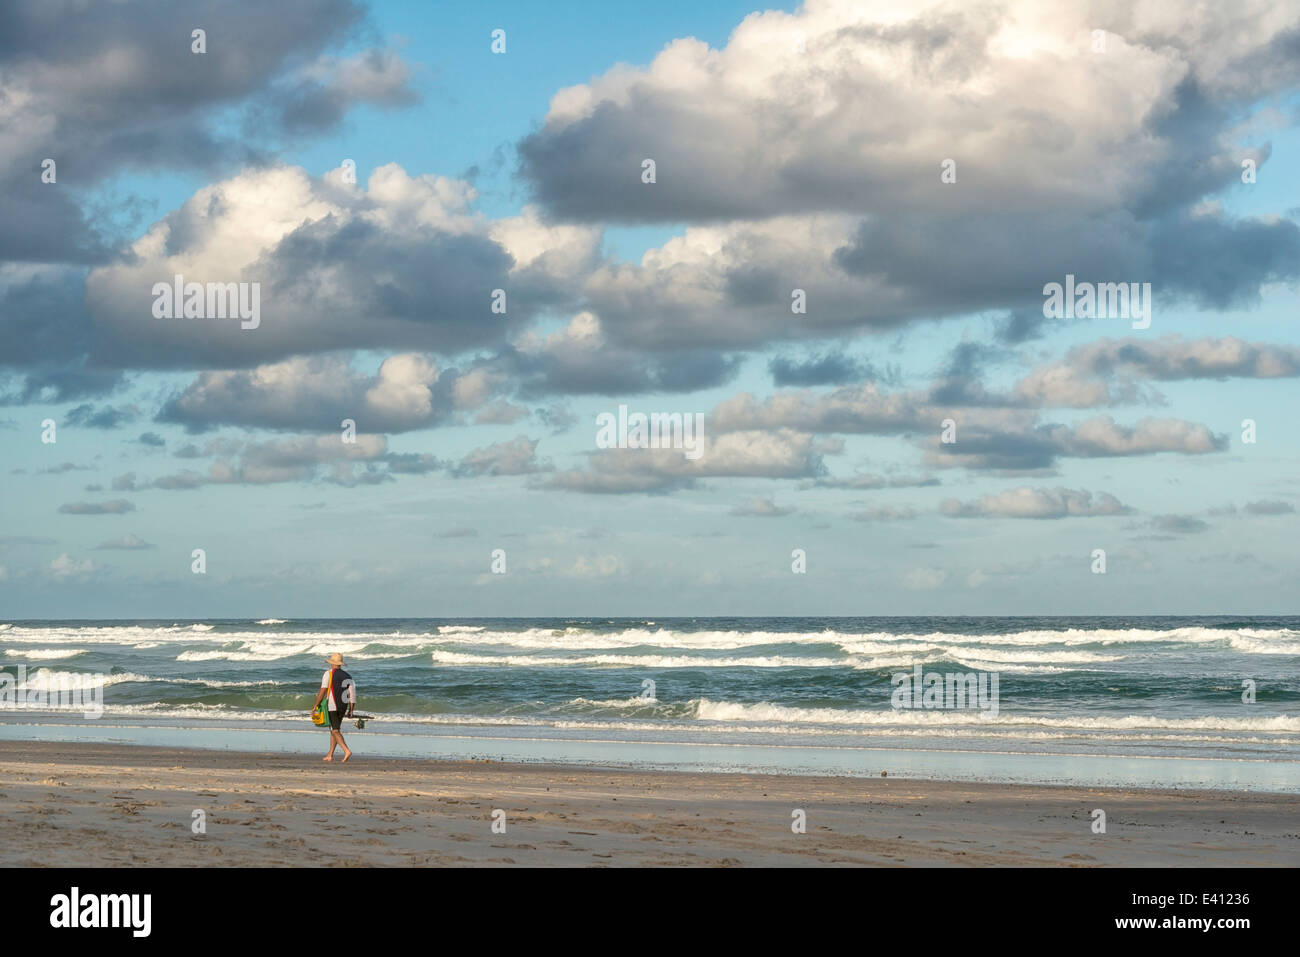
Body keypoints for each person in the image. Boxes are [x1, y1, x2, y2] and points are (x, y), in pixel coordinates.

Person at [313, 652, 355, 762]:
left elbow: (323, 690)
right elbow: (352, 695)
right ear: (340, 664)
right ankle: (330, 755)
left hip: (332, 706)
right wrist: (351, 710)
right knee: (333, 729)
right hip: (343, 706)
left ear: (332, 663)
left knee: (335, 731)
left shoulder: (329, 674)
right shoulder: (348, 676)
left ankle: (346, 751)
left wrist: (316, 705)